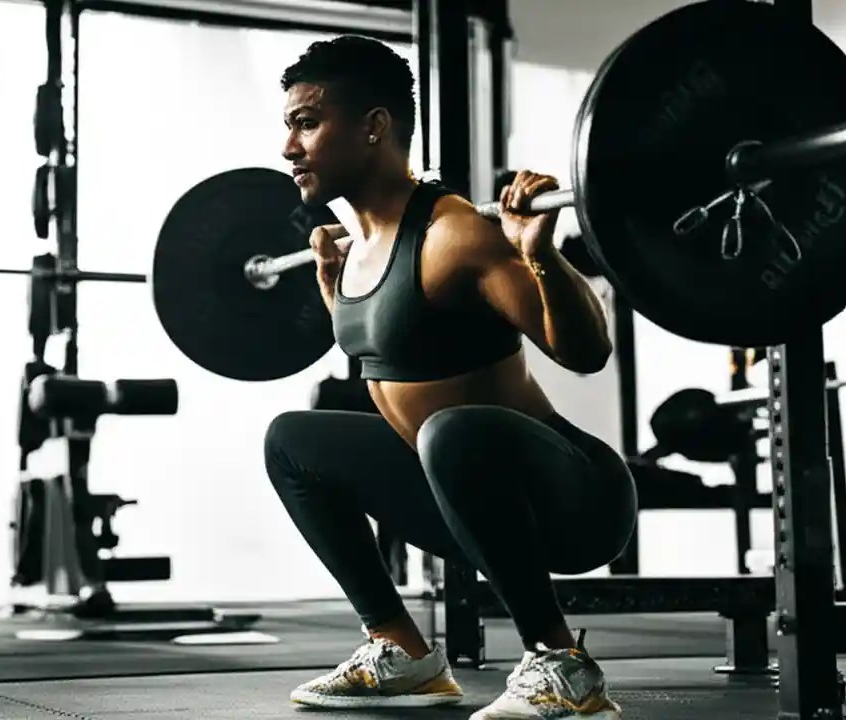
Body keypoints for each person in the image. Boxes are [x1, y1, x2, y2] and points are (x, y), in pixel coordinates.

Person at [264, 35, 637, 720]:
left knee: (449, 431)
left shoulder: (454, 233)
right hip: (459, 496)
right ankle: (401, 649)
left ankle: (563, 665)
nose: (290, 148)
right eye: (288, 126)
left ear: (374, 126)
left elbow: (586, 352)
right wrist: (330, 290)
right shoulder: (353, 253)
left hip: (574, 499)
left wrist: (540, 258)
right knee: (290, 440)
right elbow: (397, 360)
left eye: (307, 123)